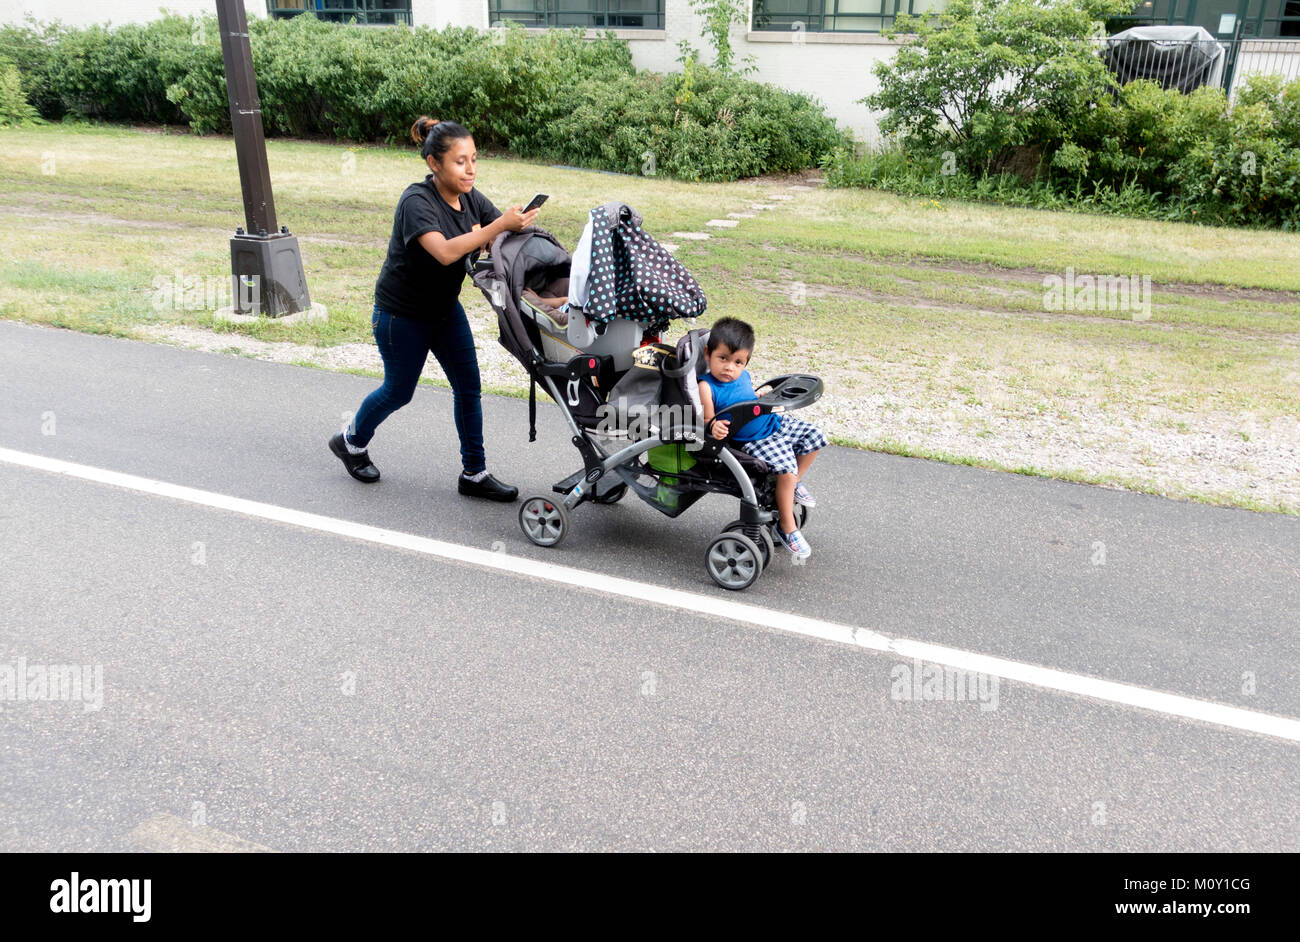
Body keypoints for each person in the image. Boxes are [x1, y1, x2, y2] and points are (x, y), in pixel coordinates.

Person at [329, 116, 540, 501]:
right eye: (460, 161)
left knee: (469, 389)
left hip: (444, 310)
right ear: (434, 164)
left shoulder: (470, 197)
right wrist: (494, 230)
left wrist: (517, 224)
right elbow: (444, 251)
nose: (471, 169)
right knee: (399, 391)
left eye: (474, 159)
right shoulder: (416, 201)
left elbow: (497, 232)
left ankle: (474, 474)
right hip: (401, 315)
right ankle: (350, 441)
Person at [697, 316, 827, 559]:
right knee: (786, 471)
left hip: (773, 422)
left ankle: (792, 485)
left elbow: (745, 398)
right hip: (754, 439)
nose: (729, 368)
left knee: (815, 435)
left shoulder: (742, 376)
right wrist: (713, 427)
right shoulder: (707, 386)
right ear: (708, 354)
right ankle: (787, 526)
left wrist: (759, 394)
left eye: (738, 362)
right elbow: (707, 421)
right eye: (723, 358)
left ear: (745, 362)